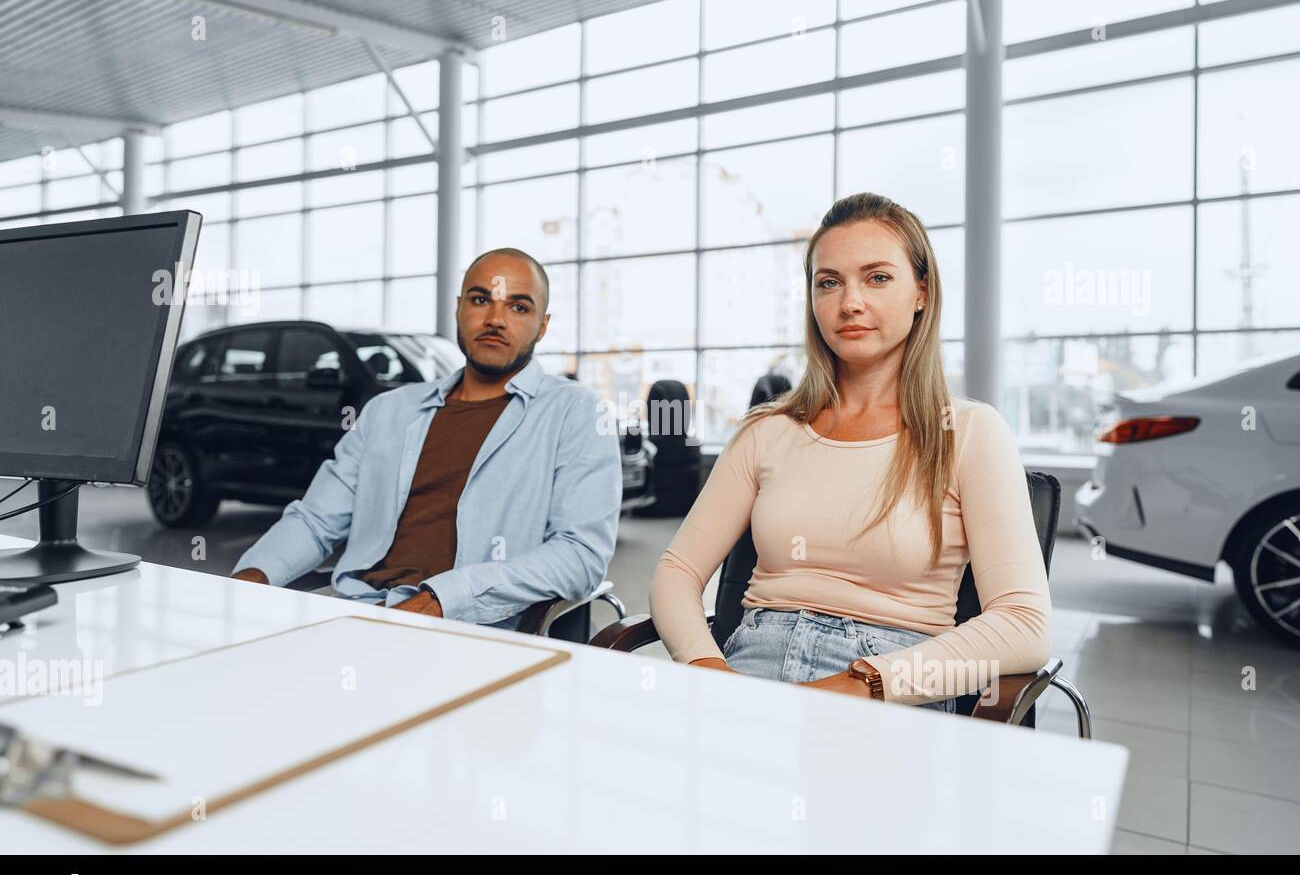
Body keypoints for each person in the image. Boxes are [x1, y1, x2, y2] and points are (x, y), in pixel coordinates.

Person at [649, 192, 1051, 708]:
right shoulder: (768, 430)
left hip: (892, 684)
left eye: (878, 277)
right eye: (829, 282)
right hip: (752, 665)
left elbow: (1024, 623)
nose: (850, 303)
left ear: (922, 292)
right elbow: (677, 571)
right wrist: (706, 668)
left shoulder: (970, 432)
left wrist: (862, 683)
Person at [231, 248, 623, 630]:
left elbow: (580, 556)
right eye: (481, 299)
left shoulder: (575, 413)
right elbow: (315, 521)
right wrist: (250, 579)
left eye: (518, 307)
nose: (495, 319)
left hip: (476, 629)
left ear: (542, 325)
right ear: (458, 308)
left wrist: (444, 599)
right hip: (359, 612)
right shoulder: (389, 411)